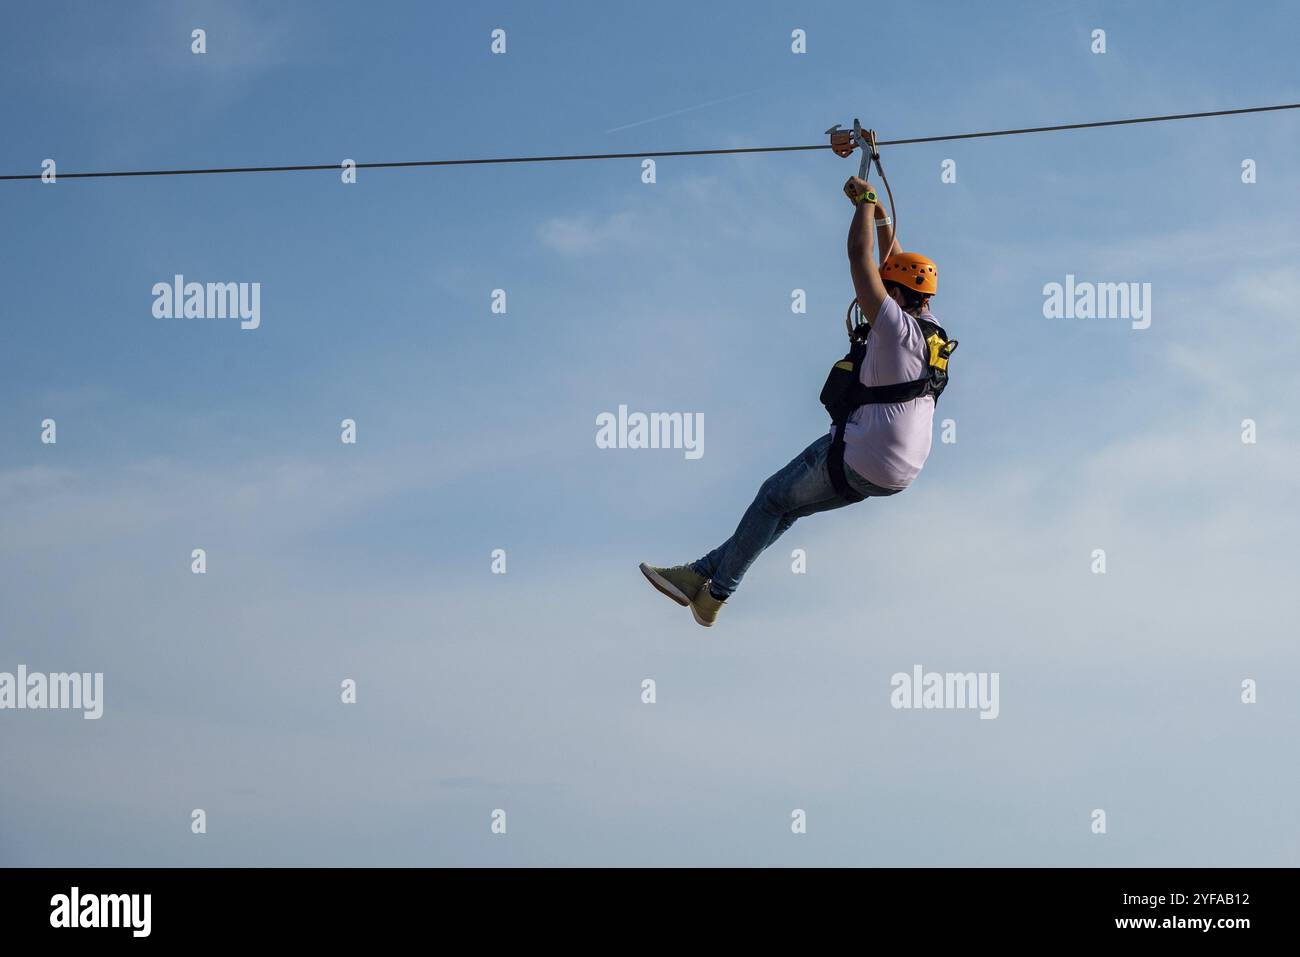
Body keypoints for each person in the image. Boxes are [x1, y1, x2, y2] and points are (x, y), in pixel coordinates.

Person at [640, 174, 948, 626]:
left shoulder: (894, 328)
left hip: (862, 455)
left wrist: (863, 203)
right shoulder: (930, 328)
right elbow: (897, 262)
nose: (879, 293)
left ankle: (715, 589)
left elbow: (860, 260)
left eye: (888, 289)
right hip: (898, 473)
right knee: (783, 509)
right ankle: (701, 582)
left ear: (898, 296)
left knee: (770, 498)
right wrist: (880, 216)